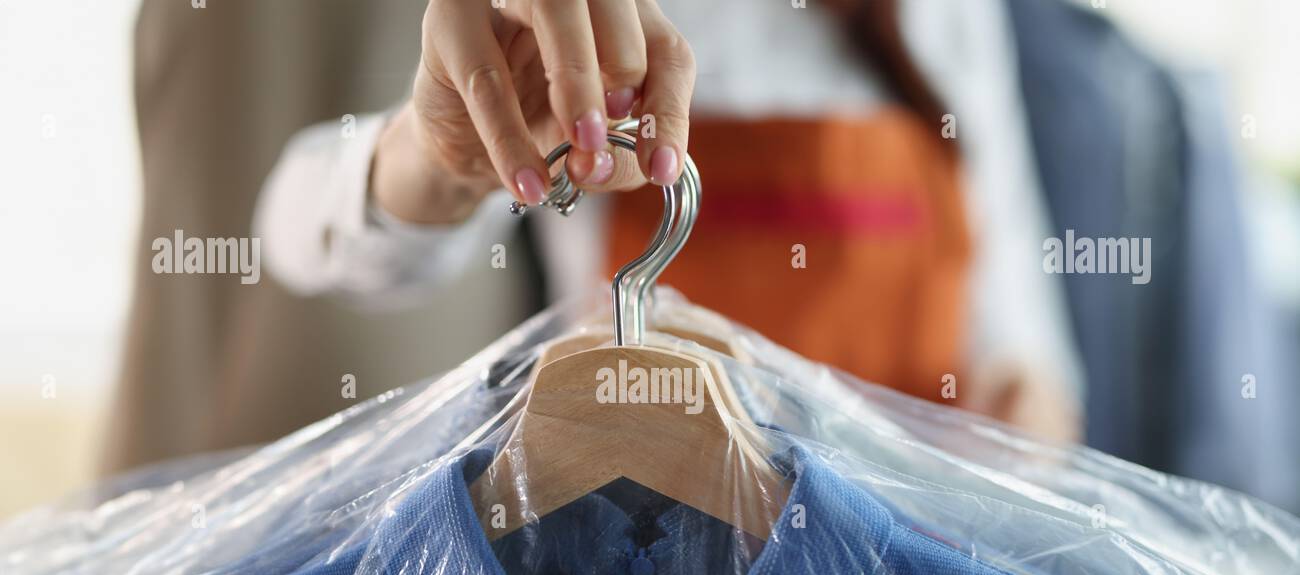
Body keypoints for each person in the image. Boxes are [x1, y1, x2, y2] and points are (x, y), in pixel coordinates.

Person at [255, 0, 1083, 440]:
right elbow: (293, 228)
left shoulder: (949, 15)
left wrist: (1026, 425)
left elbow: (1018, 319)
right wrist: (433, 162)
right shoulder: (570, 15)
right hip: (656, 564)